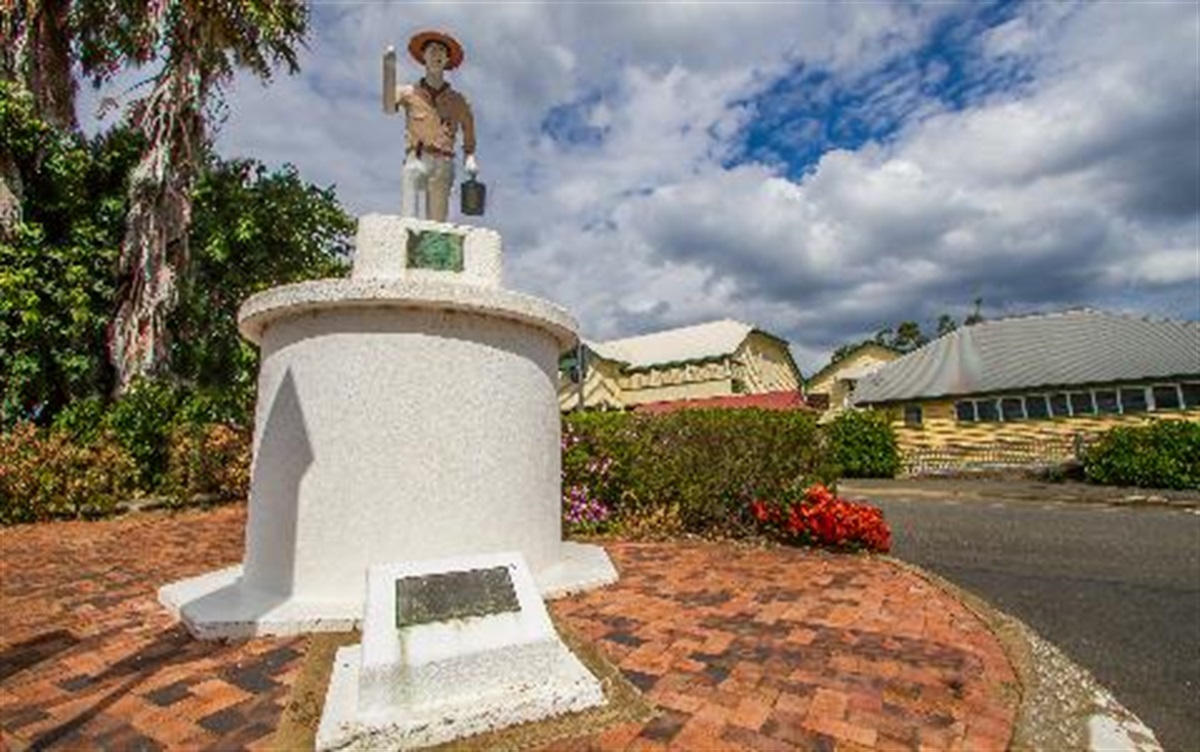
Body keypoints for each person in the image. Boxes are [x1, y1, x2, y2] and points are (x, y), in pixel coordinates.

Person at [388, 30, 478, 222]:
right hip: (416, 159)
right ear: (423, 57)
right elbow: (389, 108)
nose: (436, 54)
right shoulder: (407, 92)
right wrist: (388, 72)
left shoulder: (459, 101)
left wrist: (469, 155)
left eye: (441, 51)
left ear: (447, 59)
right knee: (409, 221)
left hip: (444, 163)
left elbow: (469, 128)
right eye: (432, 50)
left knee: (437, 227)